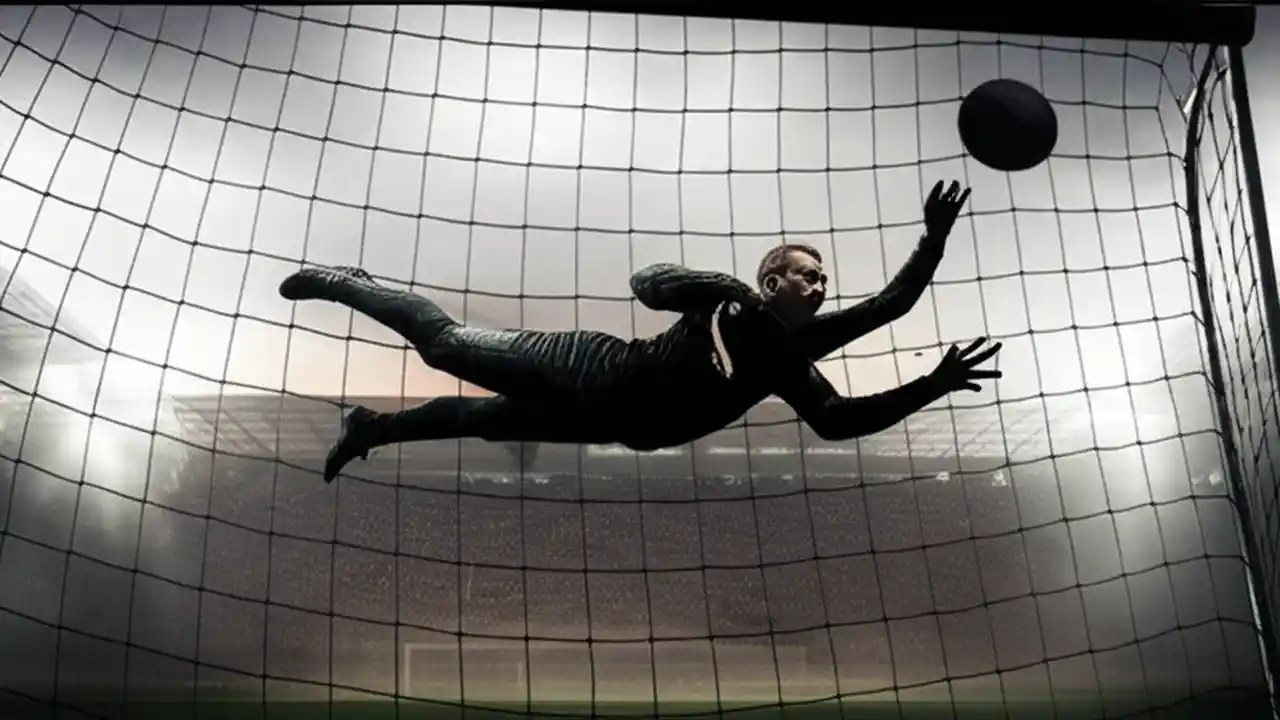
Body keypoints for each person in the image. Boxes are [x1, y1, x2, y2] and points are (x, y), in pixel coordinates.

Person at [279, 180, 999, 482]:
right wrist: (711, 287)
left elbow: (842, 416)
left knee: (477, 420)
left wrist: (933, 382)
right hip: (591, 369)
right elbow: (645, 283)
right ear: (770, 280)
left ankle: (368, 427)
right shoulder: (735, 307)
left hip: (618, 420)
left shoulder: (786, 358)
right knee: (443, 350)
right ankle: (348, 282)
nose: (820, 285)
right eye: (806, 274)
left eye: (823, 279)